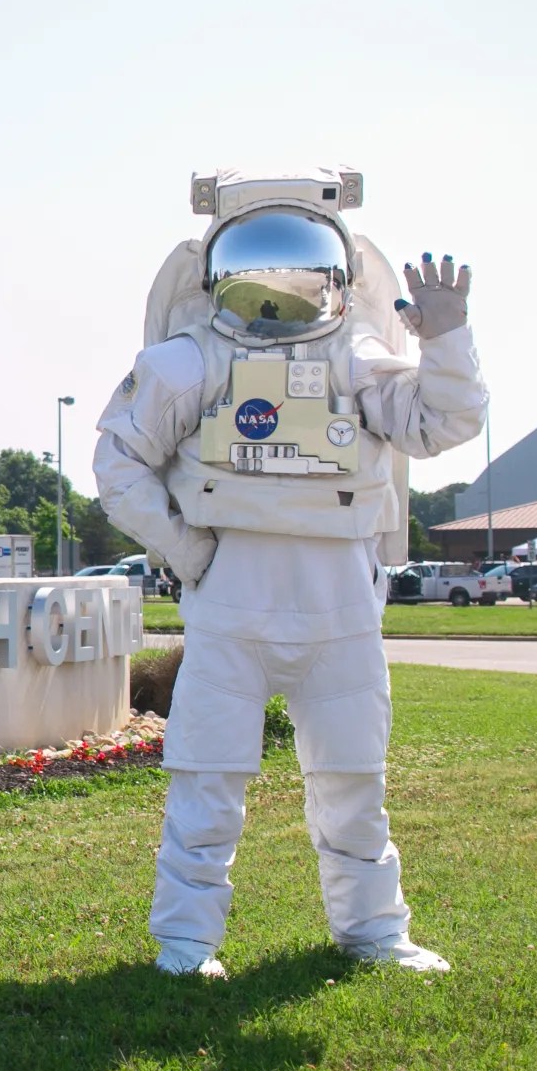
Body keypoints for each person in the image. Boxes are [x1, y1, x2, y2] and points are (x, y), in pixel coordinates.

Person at [94, 168, 486, 978]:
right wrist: (189, 549)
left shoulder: (359, 357)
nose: (279, 285)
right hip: (233, 605)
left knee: (353, 782)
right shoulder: (184, 363)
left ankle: (375, 931)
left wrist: (446, 338)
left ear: (340, 278)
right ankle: (185, 942)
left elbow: (442, 420)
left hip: (338, 607)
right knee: (207, 783)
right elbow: (118, 463)